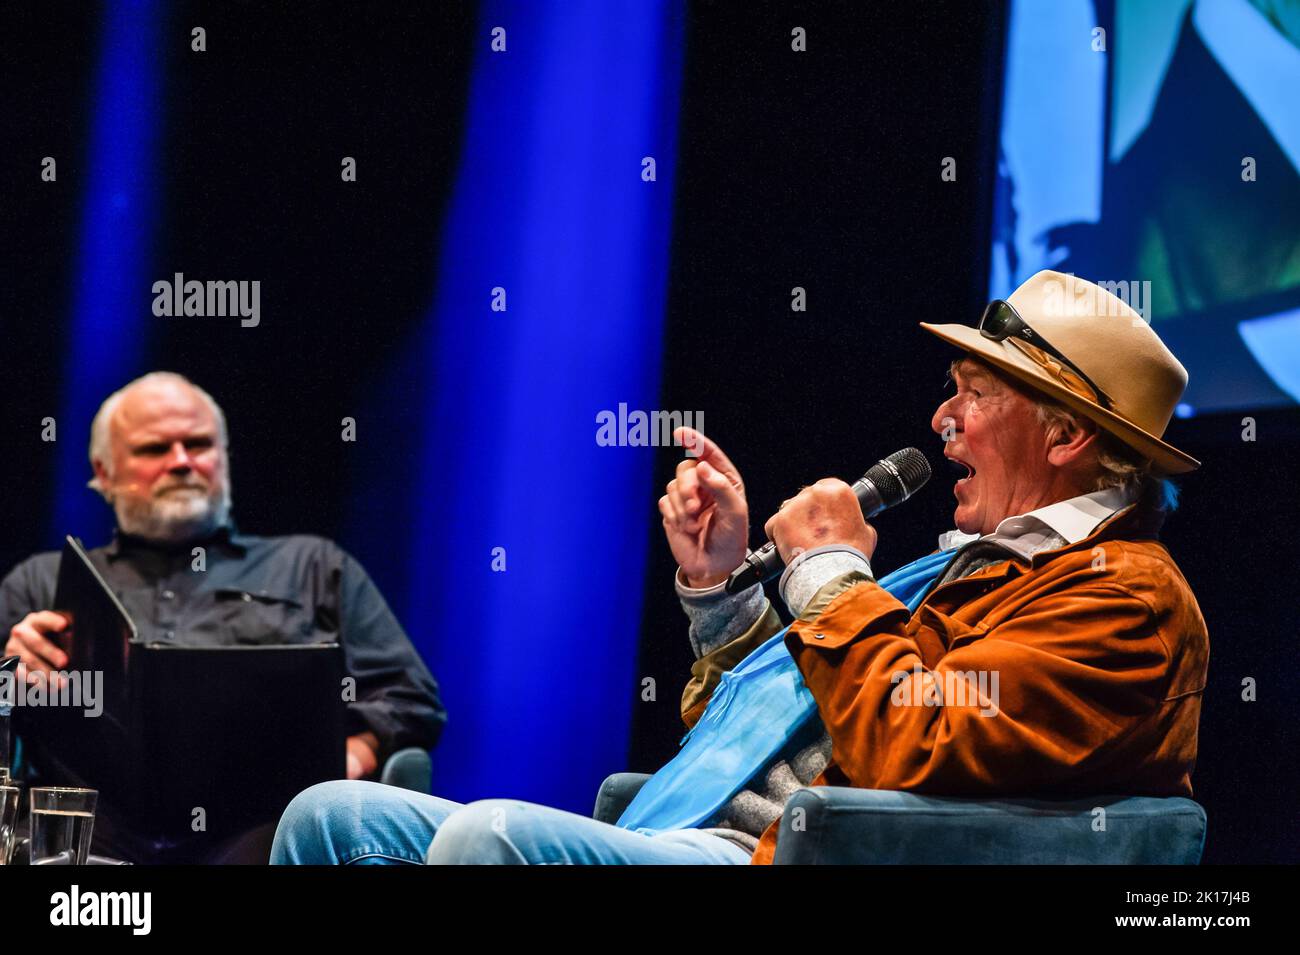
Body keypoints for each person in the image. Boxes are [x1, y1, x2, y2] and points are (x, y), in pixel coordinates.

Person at [270, 270, 1207, 865]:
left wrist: (835, 569)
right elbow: (812, 709)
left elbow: (904, 741)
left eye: (973, 395)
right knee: (333, 817)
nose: (941, 421)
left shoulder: (1122, 598)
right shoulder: (979, 566)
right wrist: (727, 591)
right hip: (713, 831)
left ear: (1069, 433)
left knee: (492, 836)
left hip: (786, 857)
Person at [1, 371, 445, 863]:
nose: (182, 462)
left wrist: (350, 758)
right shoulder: (41, 584)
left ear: (224, 459)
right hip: (91, 831)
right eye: (154, 449)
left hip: (265, 827)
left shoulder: (314, 567)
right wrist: (10, 674)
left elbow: (408, 695)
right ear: (104, 473)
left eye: (199, 444)